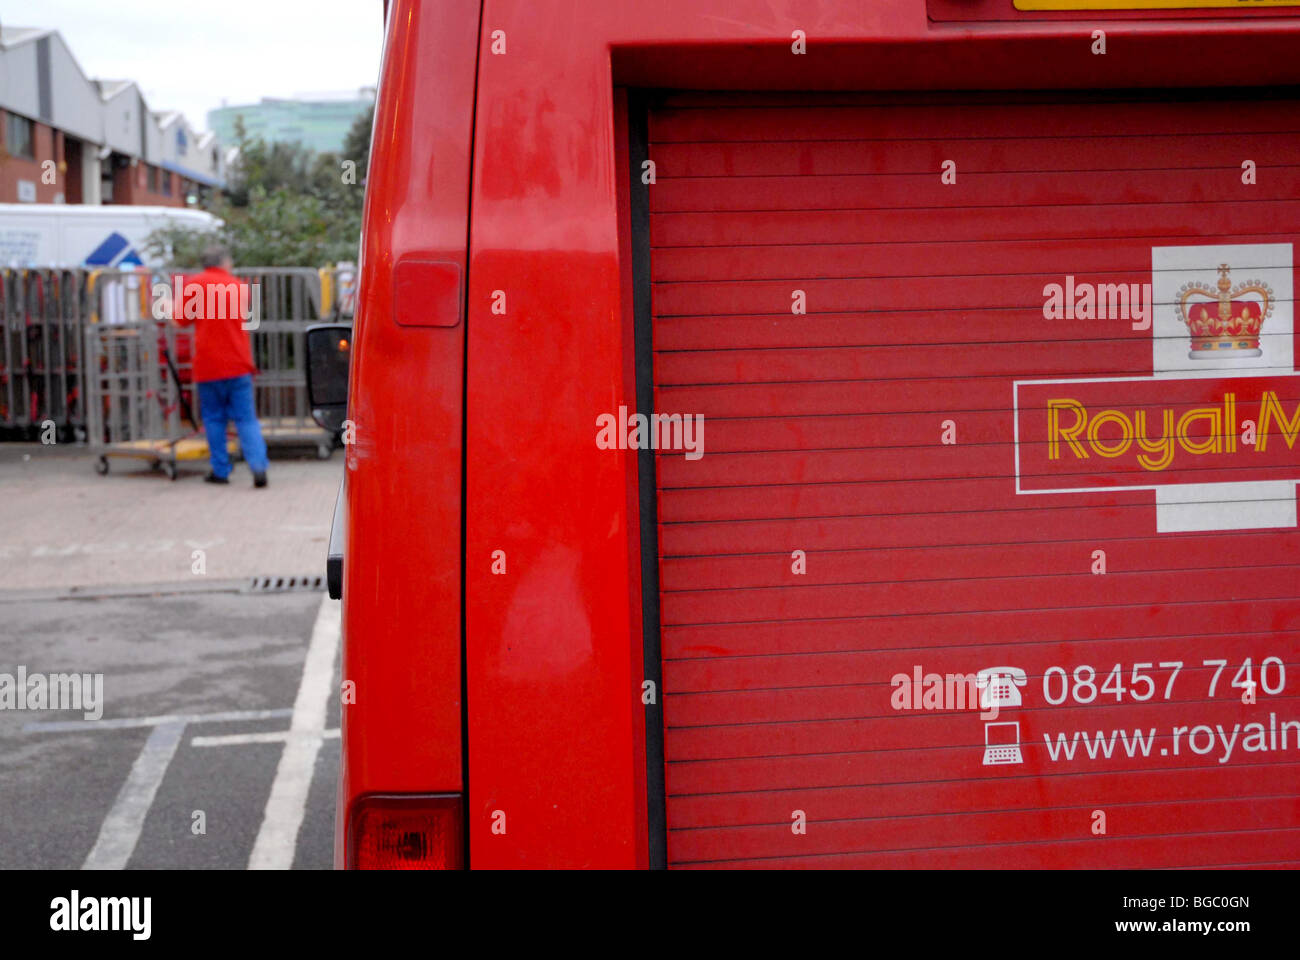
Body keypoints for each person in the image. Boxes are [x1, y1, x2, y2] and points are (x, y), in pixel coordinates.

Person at [174, 245, 269, 487]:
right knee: (246, 419)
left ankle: (221, 470)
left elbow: (180, 321)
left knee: (214, 419)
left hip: (208, 366)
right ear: (225, 263)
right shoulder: (239, 287)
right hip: (238, 363)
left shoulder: (194, 285)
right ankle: (258, 466)